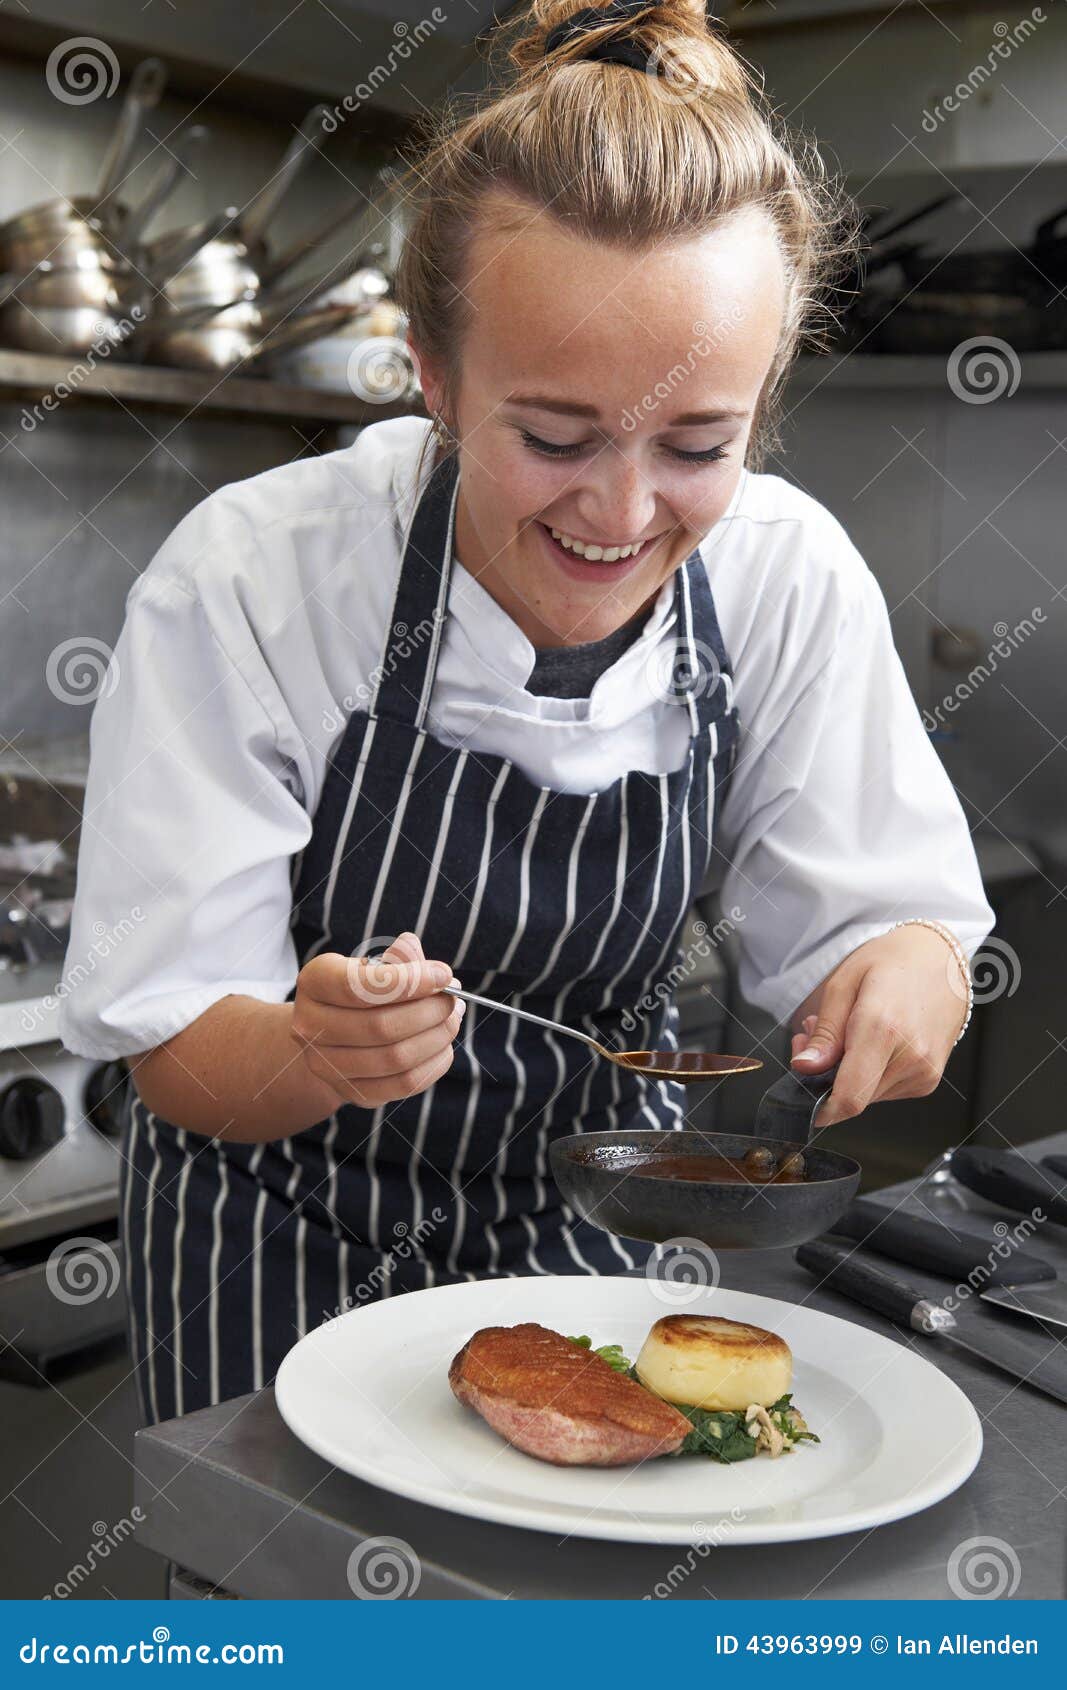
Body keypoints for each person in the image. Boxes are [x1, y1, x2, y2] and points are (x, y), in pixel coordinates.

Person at [59, 0, 994, 1426]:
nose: (620, 513)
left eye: (698, 445)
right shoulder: (259, 576)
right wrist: (314, 1049)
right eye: (553, 437)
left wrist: (907, 971)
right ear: (434, 379)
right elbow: (178, 1039)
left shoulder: (786, 574)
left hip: (608, 1253)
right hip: (281, 1254)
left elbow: (889, 926)